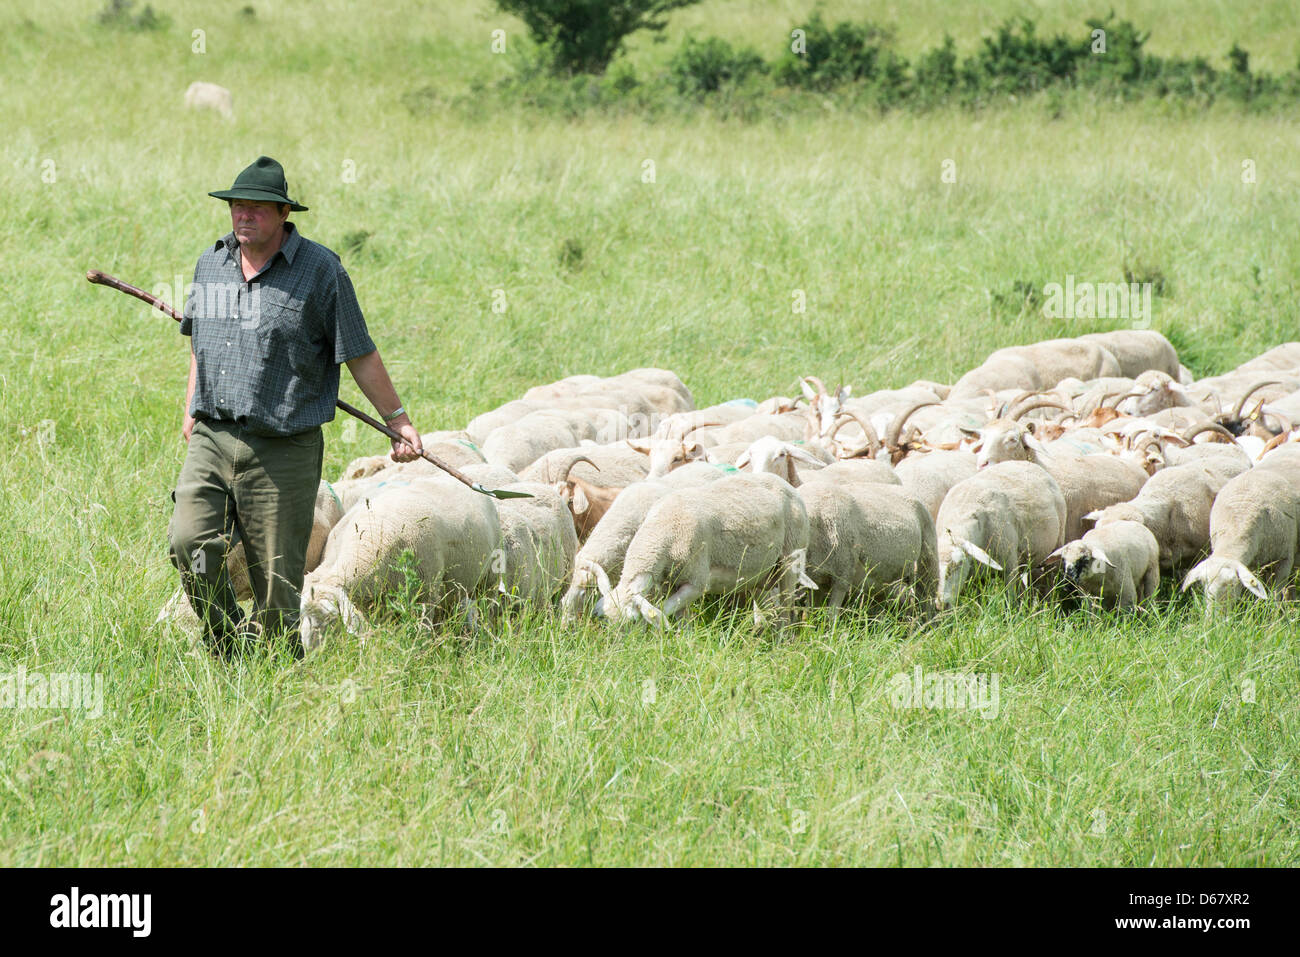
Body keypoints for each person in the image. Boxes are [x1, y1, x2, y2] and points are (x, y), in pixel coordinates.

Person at [167, 156, 421, 659]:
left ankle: (279, 671)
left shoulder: (320, 271)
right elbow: (201, 340)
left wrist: (398, 421)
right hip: (213, 438)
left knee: (276, 582)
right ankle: (225, 641)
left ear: (283, 213)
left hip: (283, 448)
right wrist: (191, 403)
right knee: (189, 544)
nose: (244, 216)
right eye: (237, 206)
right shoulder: (210, 263)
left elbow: (360, 351)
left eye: (257, 209)